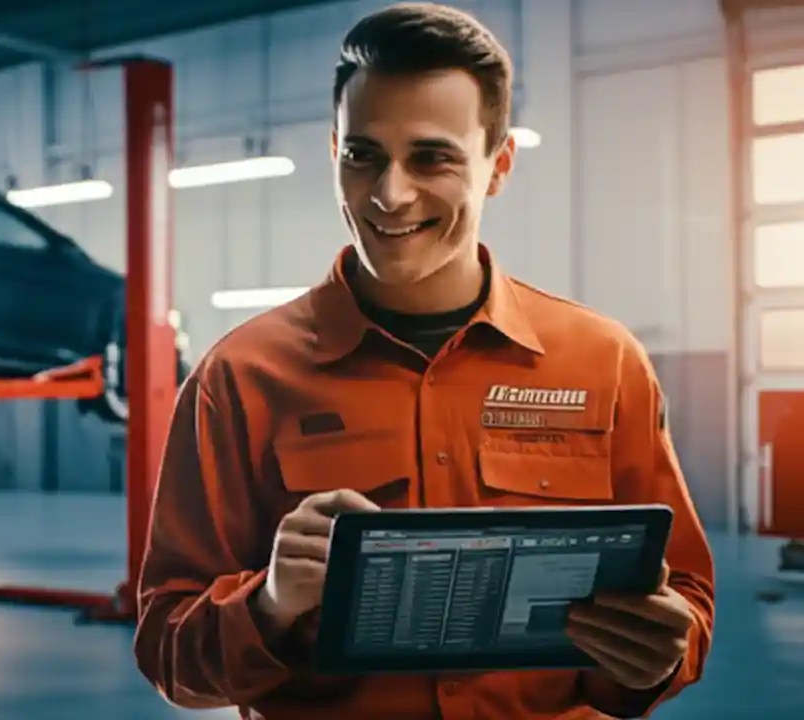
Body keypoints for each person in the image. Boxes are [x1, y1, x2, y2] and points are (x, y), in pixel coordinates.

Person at [133, 3, 715, 719]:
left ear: (499, 165)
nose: (390, 193)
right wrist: (271, 603)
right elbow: (169, 651)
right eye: (362, 155)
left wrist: (660, 653)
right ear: (334, 153)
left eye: (432, 157)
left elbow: (685, 597)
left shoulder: (604, 363)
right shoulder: (240, 379)